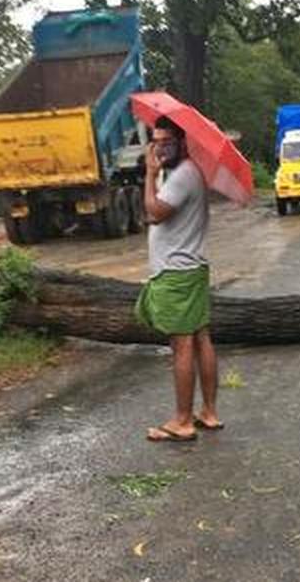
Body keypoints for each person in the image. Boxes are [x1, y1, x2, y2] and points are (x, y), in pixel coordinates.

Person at [135, 117, 223, 442]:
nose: (160, 147)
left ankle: (183, 421)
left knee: (182, 345)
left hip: (177, 274)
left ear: (184, 142)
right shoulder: (187, 172)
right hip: (192, 269)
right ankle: (209, 412)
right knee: (201, 339)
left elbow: (155, 211)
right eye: (156, 141)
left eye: (167, 141)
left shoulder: (183, 174)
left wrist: (149, 174)